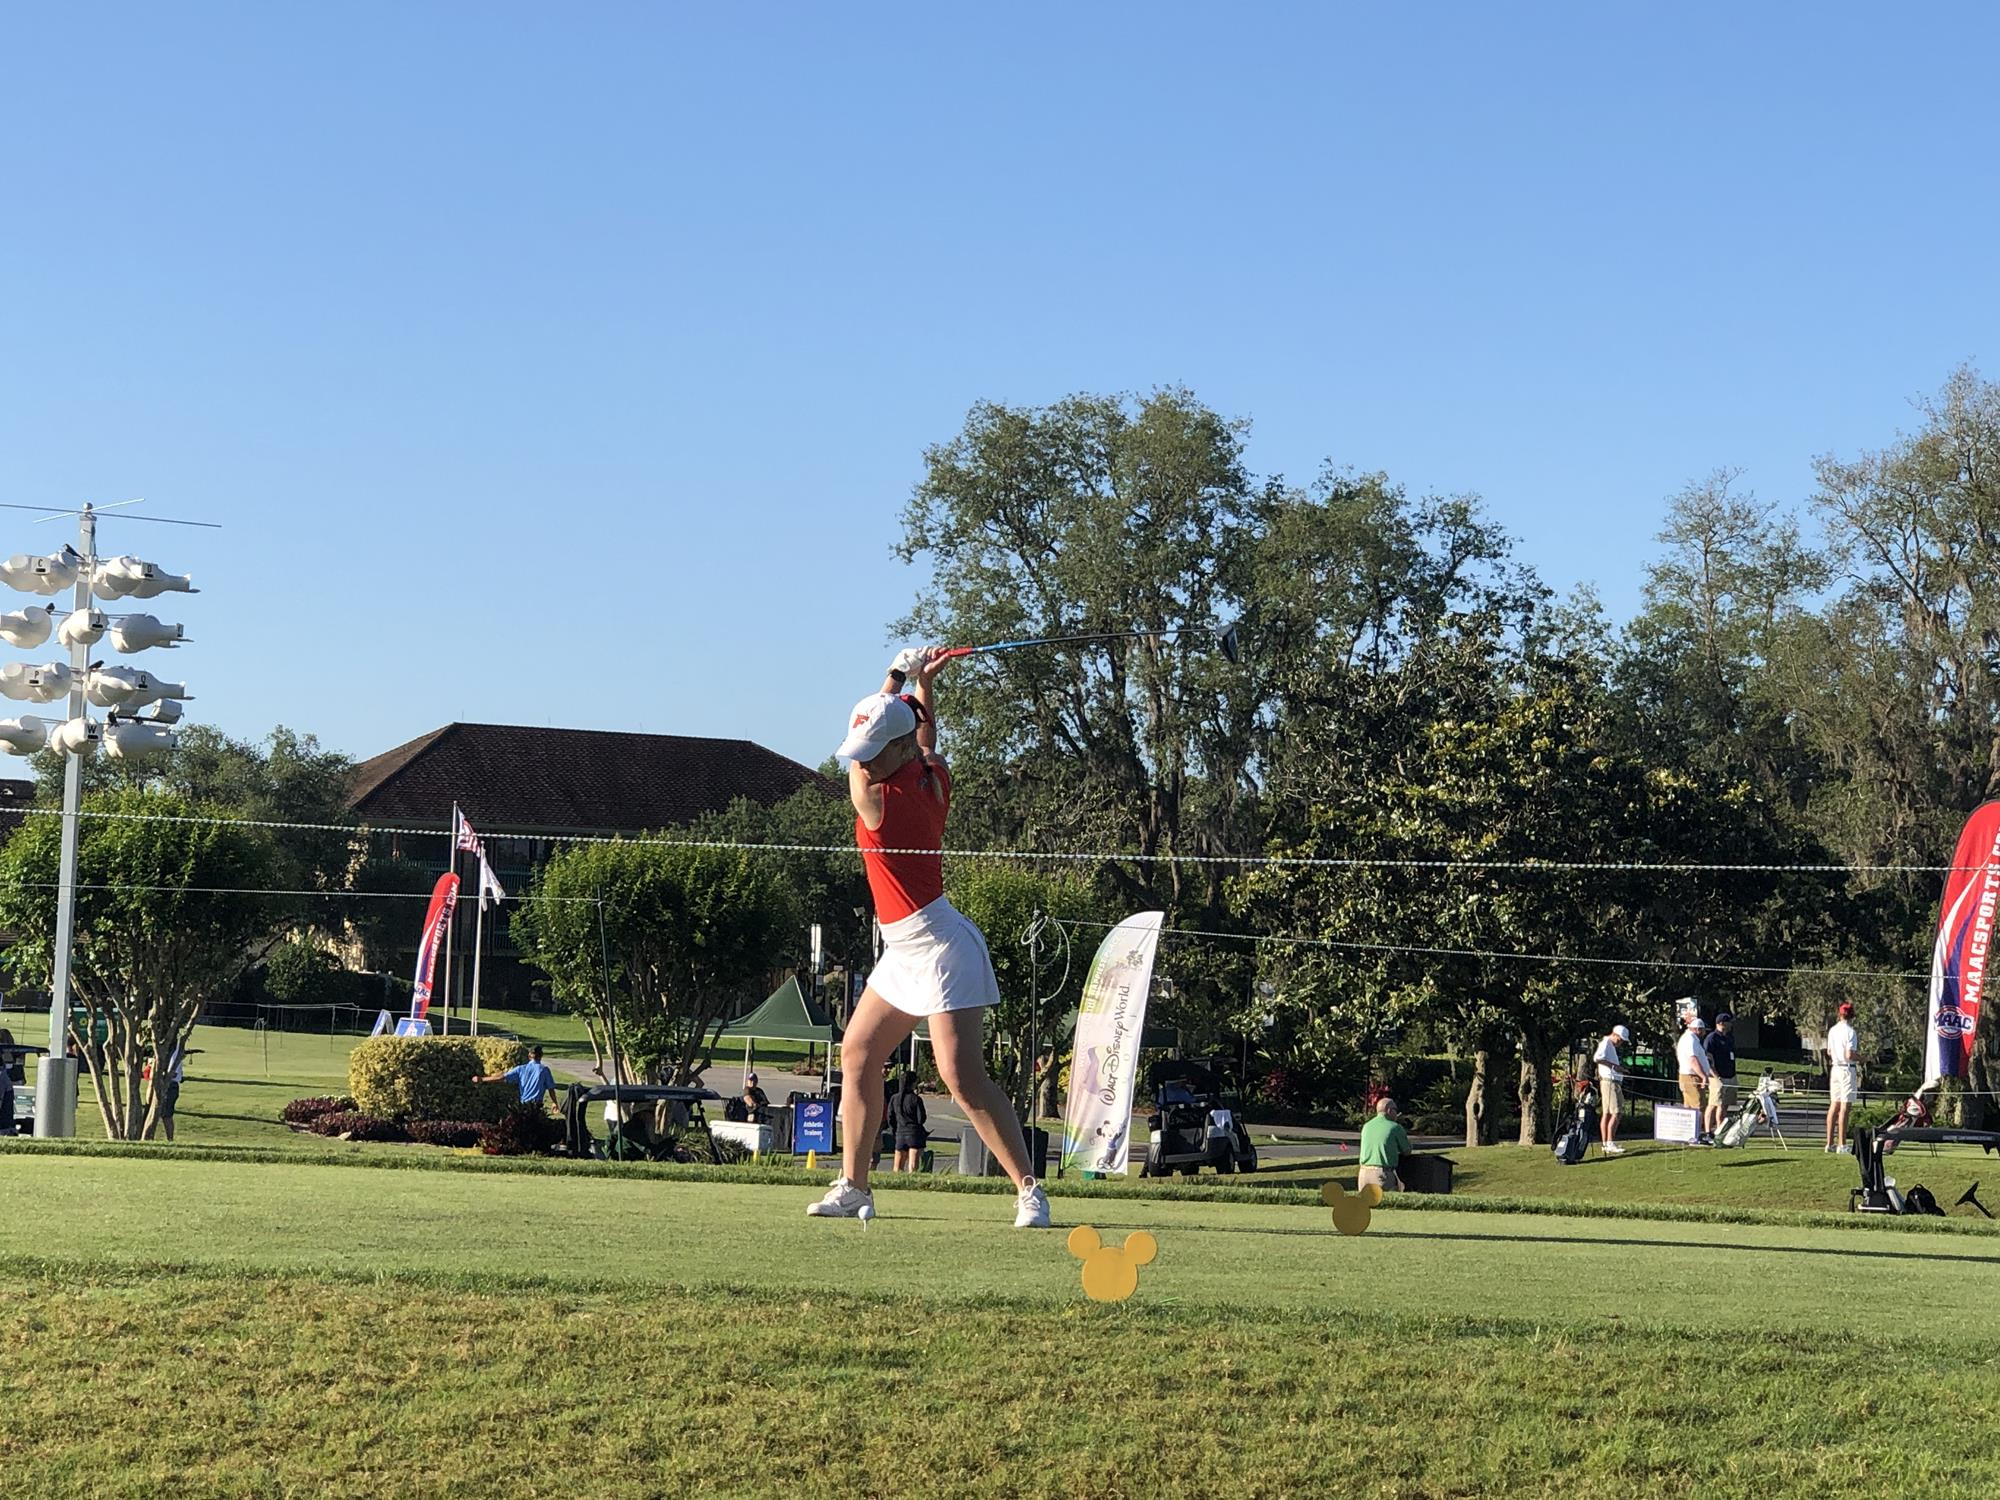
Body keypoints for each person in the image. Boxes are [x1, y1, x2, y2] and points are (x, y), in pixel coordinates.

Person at [807, 646, 1051, 1228]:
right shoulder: (930, 775)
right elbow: (919, 736)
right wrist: (922, 686)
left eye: (871, 752)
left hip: (941, 947)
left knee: (961, 1077)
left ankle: (1029, 1191)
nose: (861, 762)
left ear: (893, 749)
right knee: (860, 1053)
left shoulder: (875, 799)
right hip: (903, 949)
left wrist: (898, 673)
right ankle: (856, 1187)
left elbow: (889, 733)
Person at [477, 1044, 558, 1110]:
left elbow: (502, 1077)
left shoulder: (520, 1069)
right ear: (541, 1056)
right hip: (537, 1105)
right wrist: (554, 1102)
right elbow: (551, 1089)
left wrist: (482, 1079)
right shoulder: (544, 1070)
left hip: (523, 1105)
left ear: (529, 1056)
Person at [1825, 1002, 1860, 1153]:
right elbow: (1849, 1055)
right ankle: (1842, 1144)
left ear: (1839, 1014)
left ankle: (1829, 1144)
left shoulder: (1833, 1030)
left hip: (1835, 1068)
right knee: (1845, 1107)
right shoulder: (1850, 1032)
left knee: (1834, 1105)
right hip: (1847, 1069)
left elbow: (1829, 1052)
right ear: (1851, 1015)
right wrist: (1863, 1058)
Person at [1357, 1096, 1410, 1193]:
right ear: (1389, 1110)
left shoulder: (1367, 1126)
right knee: (1388, 1203)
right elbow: (1407, 1151)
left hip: (1363, 1173)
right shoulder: (1395, 1127)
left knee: (1365, 1205)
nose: (1397, 1113)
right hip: (1381, 1174)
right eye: (1395, 1110)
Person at [1593, 1024, 1632, 1156]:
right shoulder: (1606, 1043)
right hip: (1609, 1082)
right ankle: (1609, 1143)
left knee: (1610, 1113)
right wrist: (1616, 1068)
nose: (1620, 1043)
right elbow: (1597, 1058)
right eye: (1620, 1040)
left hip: (1613, 1082)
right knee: (1616, 1112)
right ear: (1614, 1035)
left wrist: (1620, 1069)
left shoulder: (1610, 1045)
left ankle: (1606, 1143)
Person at [1674, 1013, 1712, 1139]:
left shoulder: (1690, 1039)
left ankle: (1689, 1135)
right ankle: (1695, 1135)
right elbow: (1692, 1060)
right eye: (1702, 1030)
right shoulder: (1690, 1039)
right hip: (1691, 1076)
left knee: (1689, 1107)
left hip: (1689, 1076)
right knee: (1698, 1107)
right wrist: (1703, 1076)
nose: (1704, 1033)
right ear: (1697, 1029)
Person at [1704, 1012, 1739, 1140]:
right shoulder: (1712, 1038)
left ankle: (1720, 1130)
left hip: (1730, 1075)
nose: (1730, 1024)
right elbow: (1708, 1059)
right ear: (1721, 1023)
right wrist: (1715, 1075)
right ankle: (1708, 1132)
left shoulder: (1729, 1037)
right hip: (1717, 1077)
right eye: (1728, 1022)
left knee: (1724, 1105)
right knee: (1714, 1104)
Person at [890, 1070, 928, 1172]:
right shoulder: (916, 1099)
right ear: (914, 1083)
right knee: (913, 1166)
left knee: (897, 1167)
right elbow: (921, 1119)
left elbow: (890, 1117)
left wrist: (894, 1130)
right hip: (914, 1134)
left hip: (900, 1133)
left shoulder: (895, 1098)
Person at [154, 1044, 186, 1142]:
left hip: (170, 1085)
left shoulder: (174, 1052)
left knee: (166, 1114)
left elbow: (173, 1073)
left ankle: (170, 1139)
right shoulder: (164, 1050)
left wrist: (159, 1074)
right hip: (164, 1084)